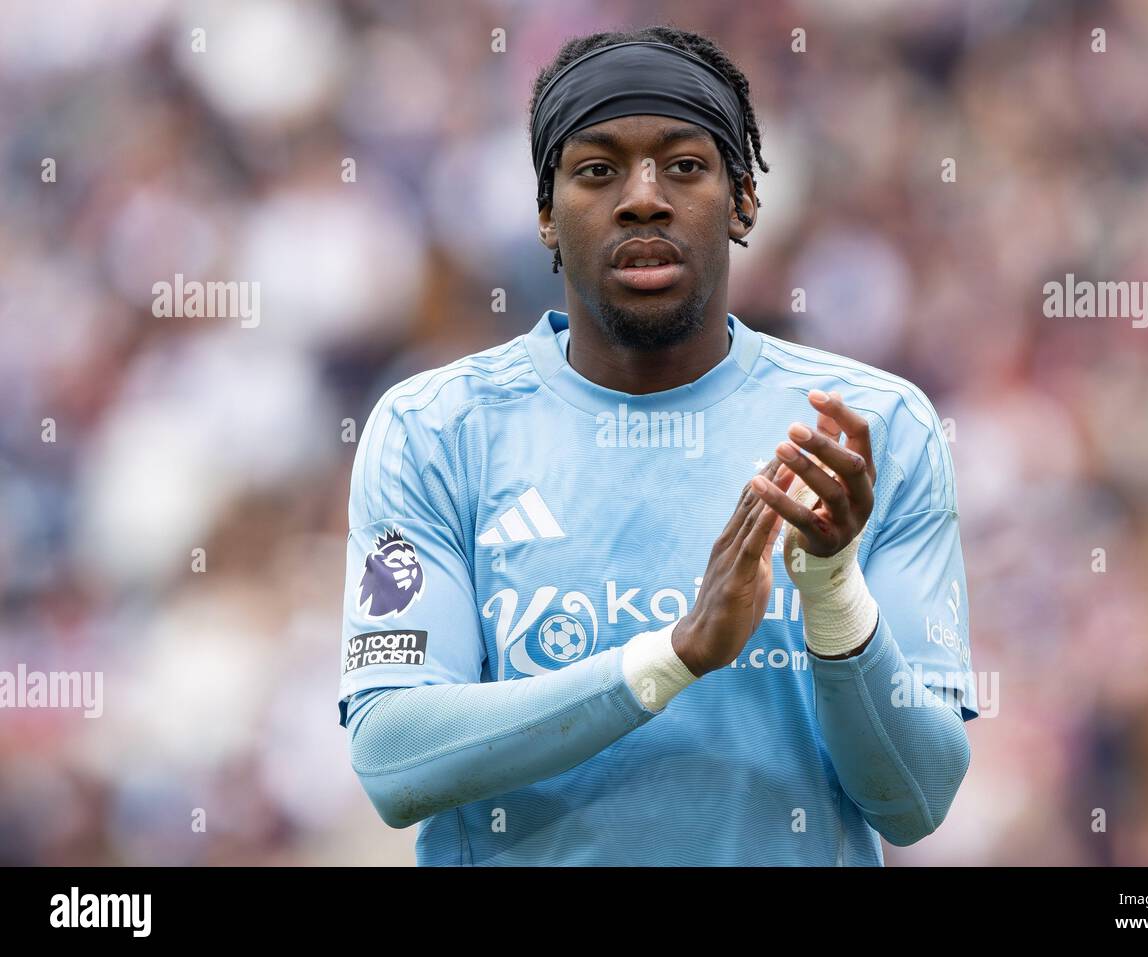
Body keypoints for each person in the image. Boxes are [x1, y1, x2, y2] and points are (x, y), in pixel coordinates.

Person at [338, 25, 977, 866]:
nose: (643, 197)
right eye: (597, 169)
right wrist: (671, 658)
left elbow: (917, 798)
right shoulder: (434, 429)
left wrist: (830, 595)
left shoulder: (867, 429)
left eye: (685, 165)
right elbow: (392, 756)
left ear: (744, 199)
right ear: (545, 213)